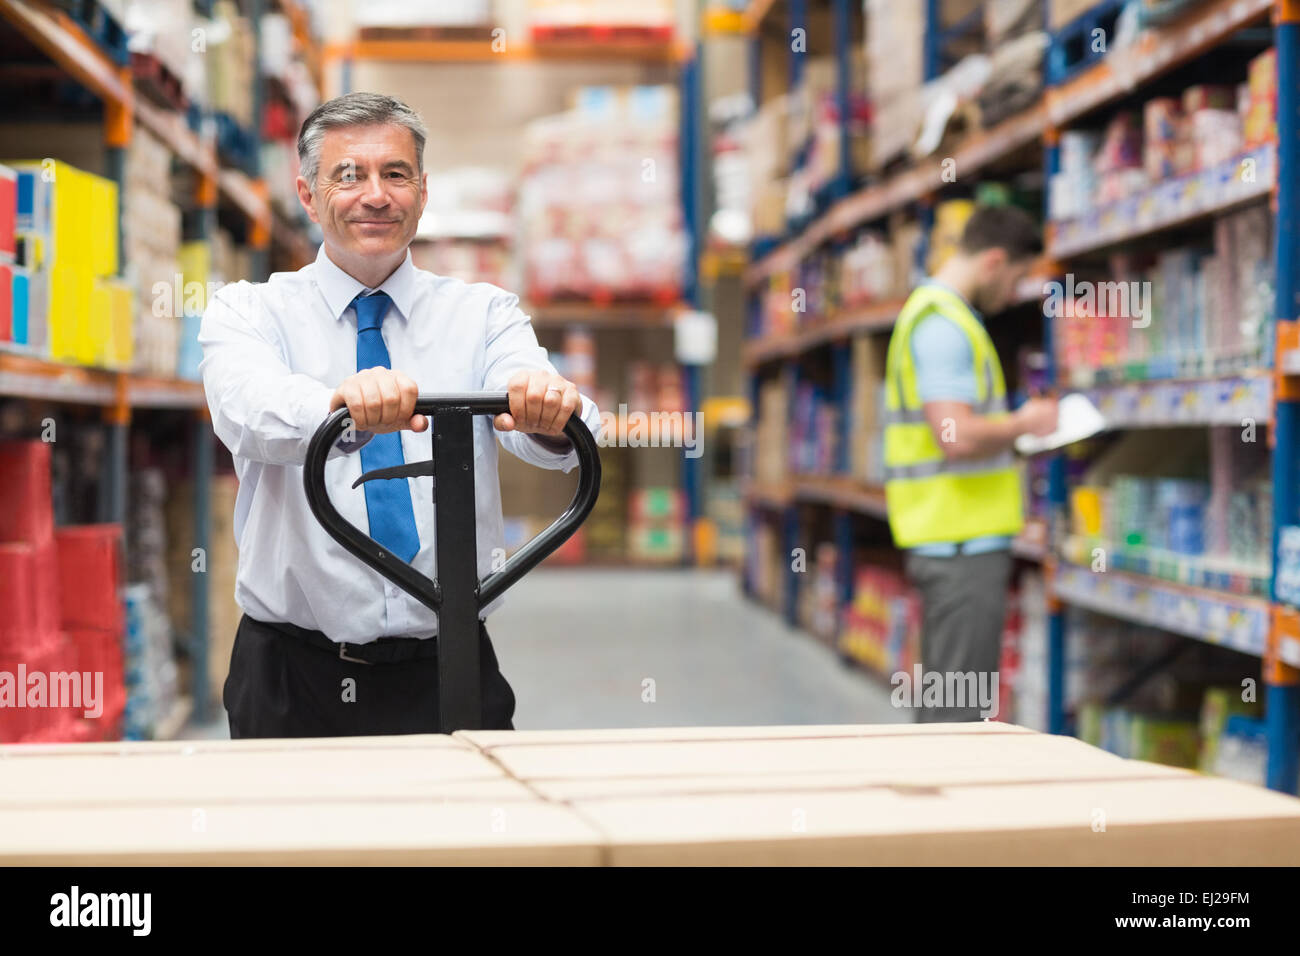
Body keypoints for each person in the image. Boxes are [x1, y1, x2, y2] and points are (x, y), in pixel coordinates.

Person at [199, 92, 603, 738]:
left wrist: (549, 409)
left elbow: (547, 407)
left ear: (421, 190)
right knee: (290, 840)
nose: (375, 195)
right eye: (348, 175)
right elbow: (247, 412)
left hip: (448, 666)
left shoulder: (484, 315)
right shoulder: (249, 313)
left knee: (461, 837)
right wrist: (339, 410)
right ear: (306, 195)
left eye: (394, 174)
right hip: (291, 673)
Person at [882, 204, 1058, 722]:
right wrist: (1025, 423)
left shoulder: (941, 316)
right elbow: (953, 436)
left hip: (954, 540)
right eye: (1017, 278)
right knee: (955, 721)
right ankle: (943, 802)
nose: (1012, 293)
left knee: (948, 710)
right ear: (994, 261)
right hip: (959, 547)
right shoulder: (944, 326)